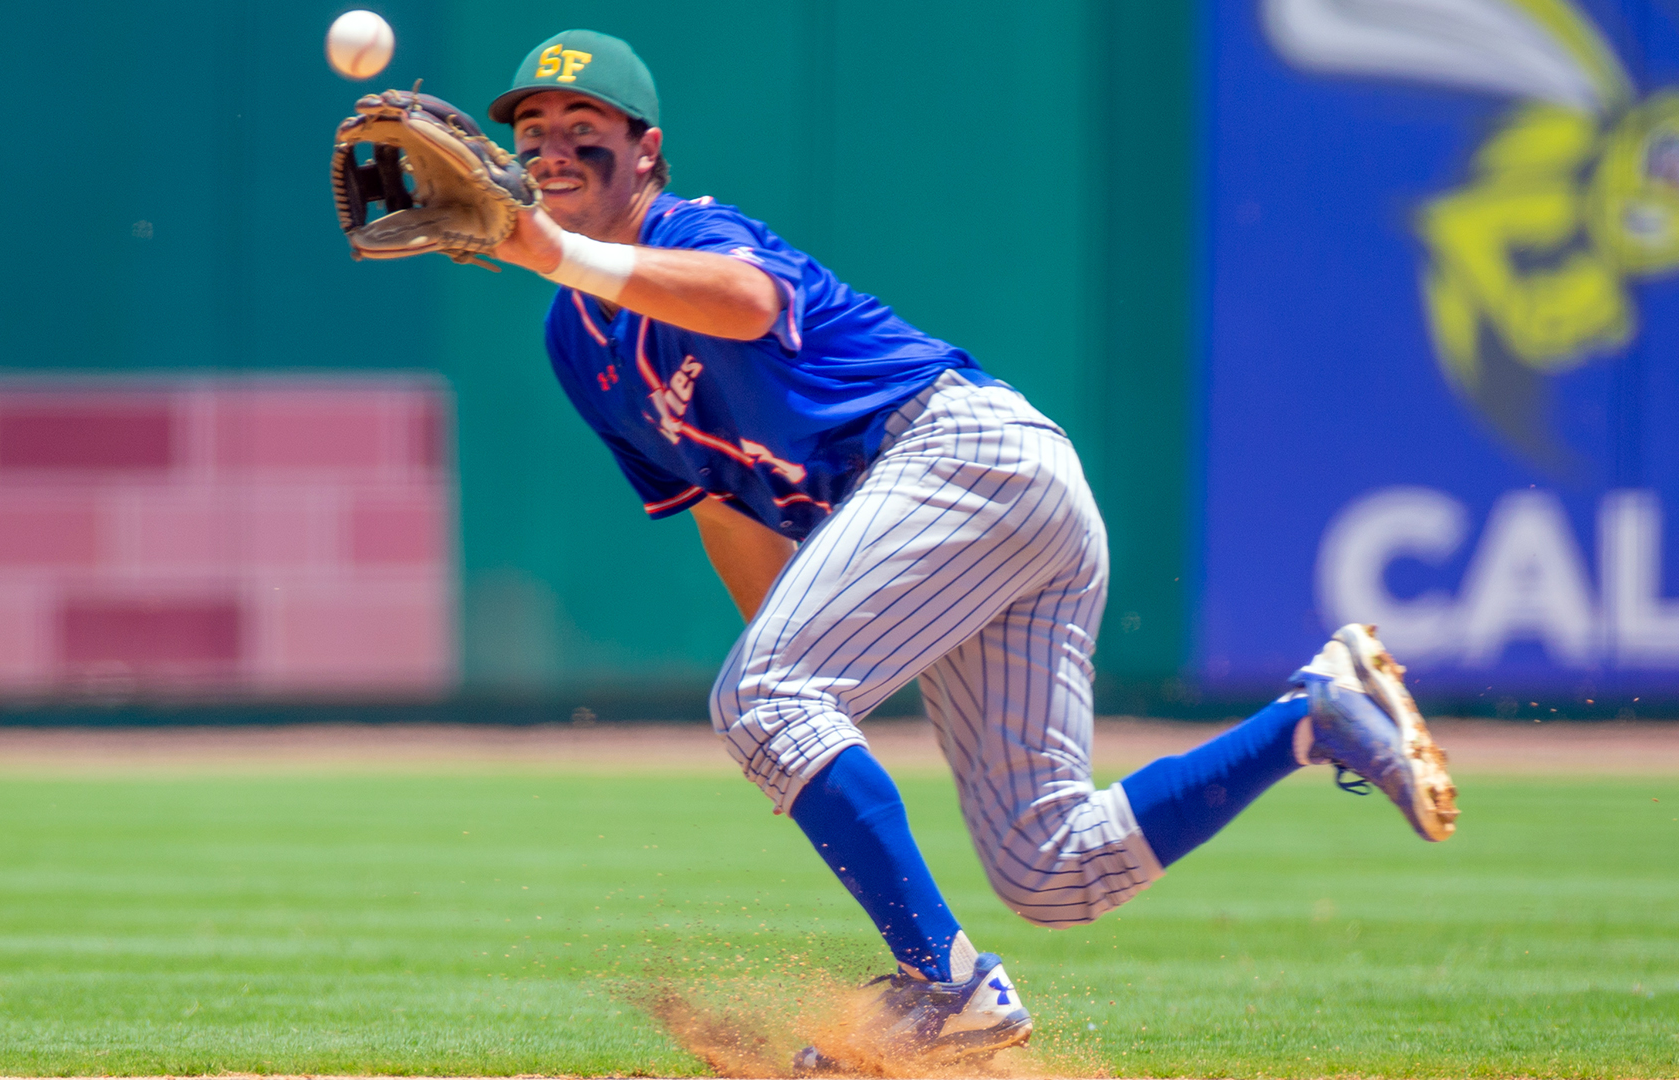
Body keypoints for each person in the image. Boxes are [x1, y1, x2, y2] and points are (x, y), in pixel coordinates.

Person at [484, 28, 1458, 1069]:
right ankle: (1312, 718)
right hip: (948, 522)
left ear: (646, 149)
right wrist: (807, 686)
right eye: (532, 129)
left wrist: (557, 252)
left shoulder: (695, 230)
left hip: (963, 459)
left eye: (582, 127)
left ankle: (946, 989)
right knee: (1051, 870)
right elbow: (726, 511)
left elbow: (749, 301)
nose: (551, 143)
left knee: (762, 698)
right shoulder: (571, 343)